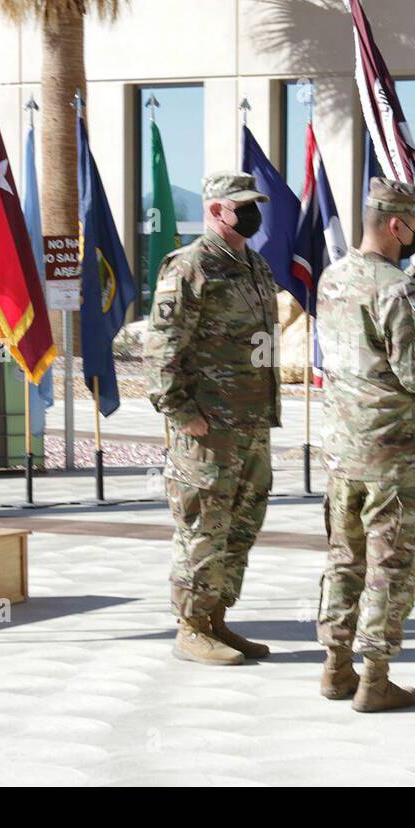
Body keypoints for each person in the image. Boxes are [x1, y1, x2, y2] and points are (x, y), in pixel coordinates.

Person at [315, 178, 415, 713]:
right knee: (391, 566)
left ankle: (335, 666)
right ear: (394, 225)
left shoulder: (332, 279)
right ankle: (375, 677)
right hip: (392, 457)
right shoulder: (396, 288)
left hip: (342, 450)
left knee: (345, 560)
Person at [145, 171, 280, 667]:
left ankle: (217, 617)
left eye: (254, 203)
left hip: (251, 424)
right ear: (215, 210)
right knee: (203, 527)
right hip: (207, 428)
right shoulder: (190, 266)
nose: (252, 212)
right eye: (241, 204)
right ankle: (191, 626)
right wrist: (181, 412)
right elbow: (161, 347)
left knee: (240, 526)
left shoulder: (255, 265)